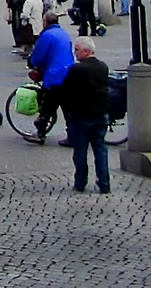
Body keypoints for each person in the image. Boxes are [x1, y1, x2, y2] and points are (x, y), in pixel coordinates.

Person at [60, 35, 111, 193]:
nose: (75, 53)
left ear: (86, 51)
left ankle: (80, 181)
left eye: (77, 50)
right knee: (100, 149)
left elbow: (66, 90)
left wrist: (68, 110)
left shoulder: (77, 69)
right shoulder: (103, 67)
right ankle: (104, 183)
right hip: (100, 114)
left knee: (80, 151)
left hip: (81, 115)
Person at [28, 10, 75, 144]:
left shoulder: (47, 35)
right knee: (67, 109)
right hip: (68, 75)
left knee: (47, 107)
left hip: (54, 76)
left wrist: (32, 63)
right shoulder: (63, 33)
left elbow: (39, 56)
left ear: (45, 22)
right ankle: (72, 136)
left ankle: (40, 134)